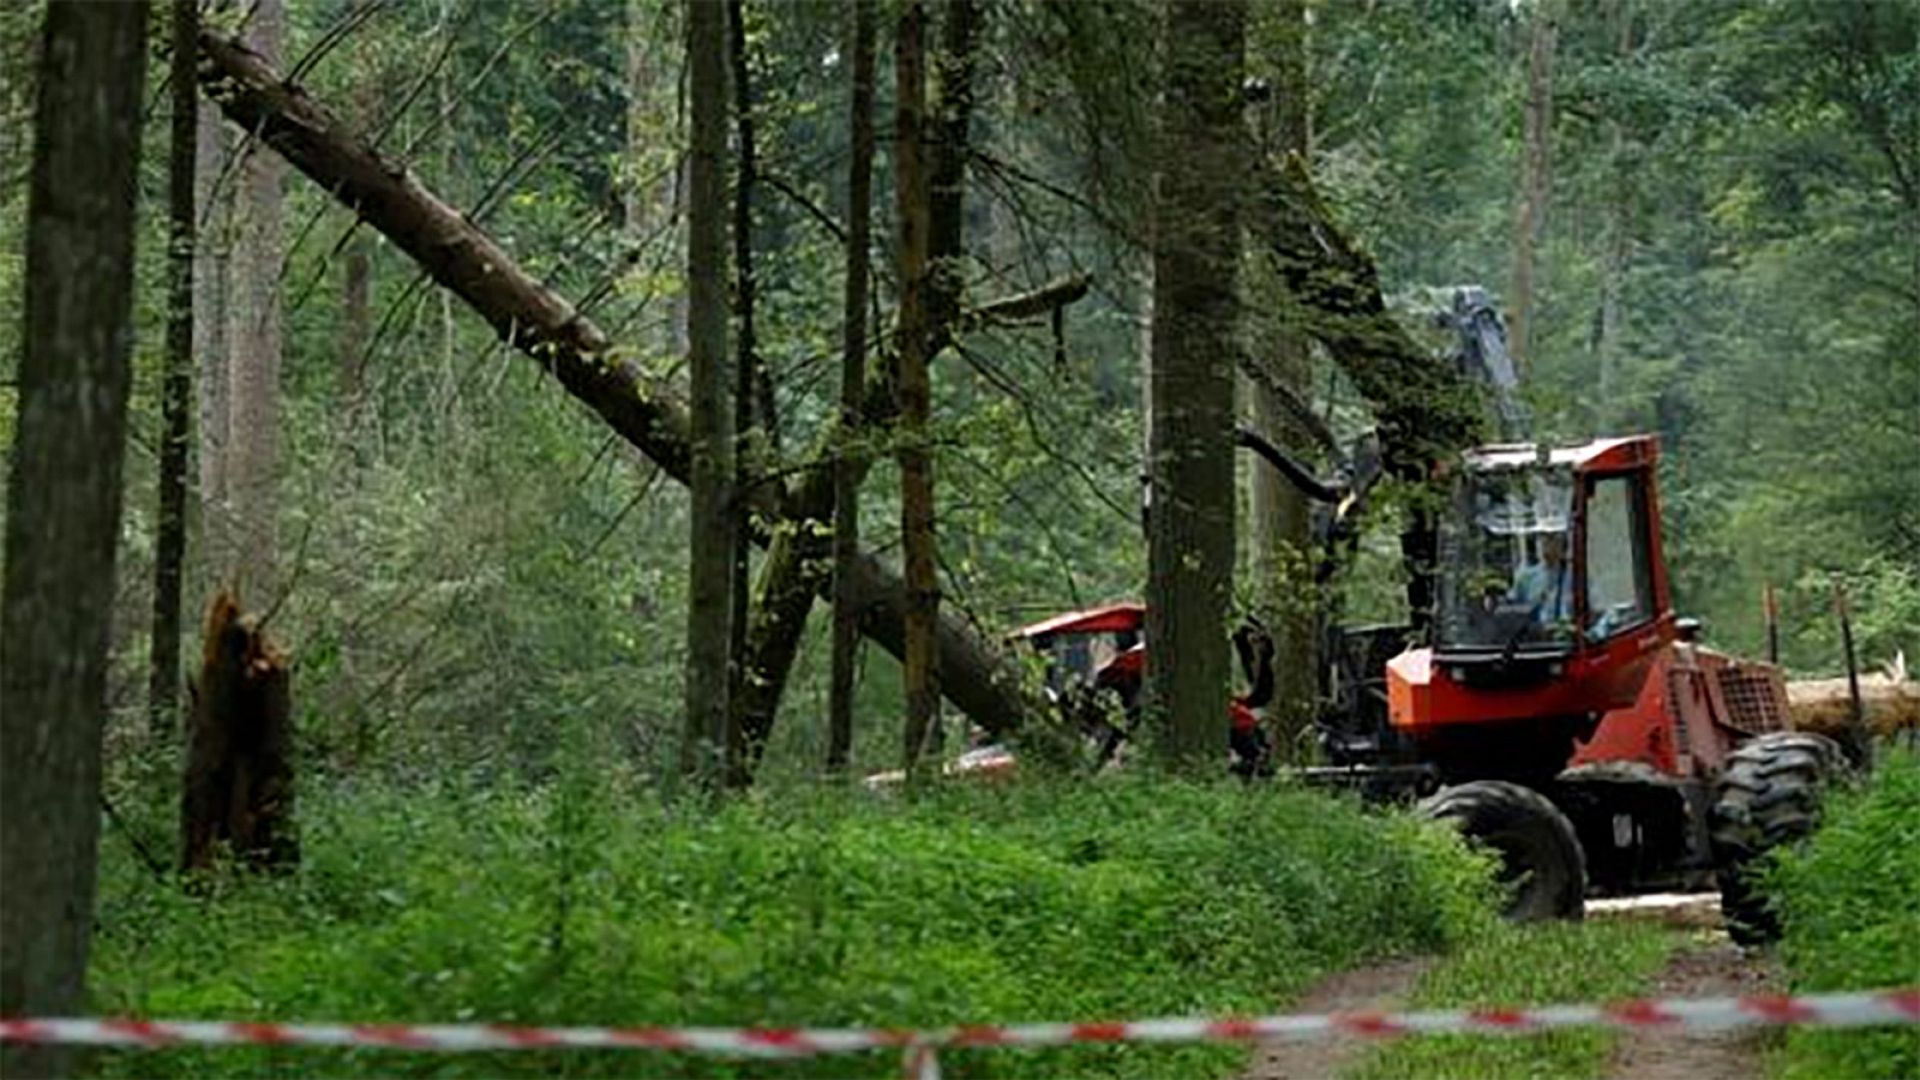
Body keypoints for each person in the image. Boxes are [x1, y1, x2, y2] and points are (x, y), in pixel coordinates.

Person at [1511, 531, 1572, 626]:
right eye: (1541, 540)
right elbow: (1512, 608)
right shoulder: (1526, 577)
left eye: (1552, 540)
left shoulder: (1574, 578)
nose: (1546, 546)